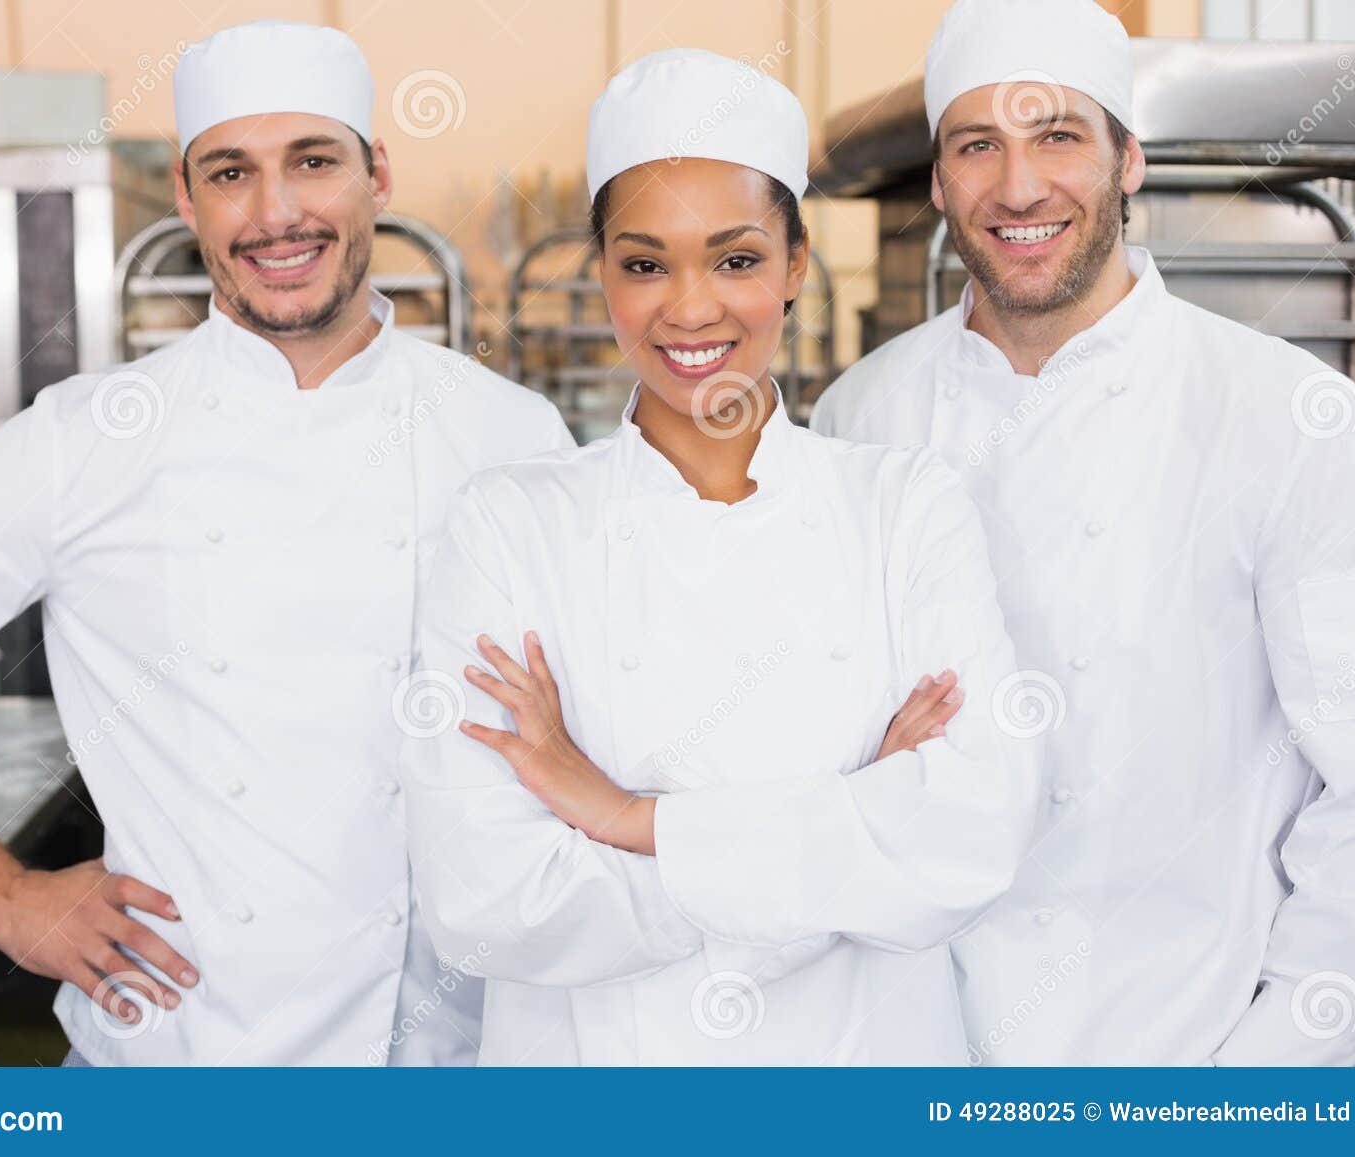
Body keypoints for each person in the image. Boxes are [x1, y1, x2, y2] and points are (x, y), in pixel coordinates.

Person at [0, 20, 572, 1066]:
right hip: (180, 1054)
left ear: (377, 174)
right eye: (231, 173)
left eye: (314, 161)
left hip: (451, 1058)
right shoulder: (89, 438)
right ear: (189, 201)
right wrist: (3, 893)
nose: (276, 212)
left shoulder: (511, 435)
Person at [400, 49, 1041, 1065]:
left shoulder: (906, 506)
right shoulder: (507, 524)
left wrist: (621, 817)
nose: (690, 306)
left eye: (735, 258)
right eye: (645, 262)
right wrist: (850, 821)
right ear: (602, 273)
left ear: (793, 266)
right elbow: (482, 904)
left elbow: (970, 842)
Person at [812, 0, 1355, 1065]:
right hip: (912, 1057)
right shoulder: (859, 414)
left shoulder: (1288, 419)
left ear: (1129, 160)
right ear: (937, 184)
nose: (1018, 188)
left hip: (1186, 1051)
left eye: (1058, 136)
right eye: (977, 146)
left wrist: (1275, 1065)